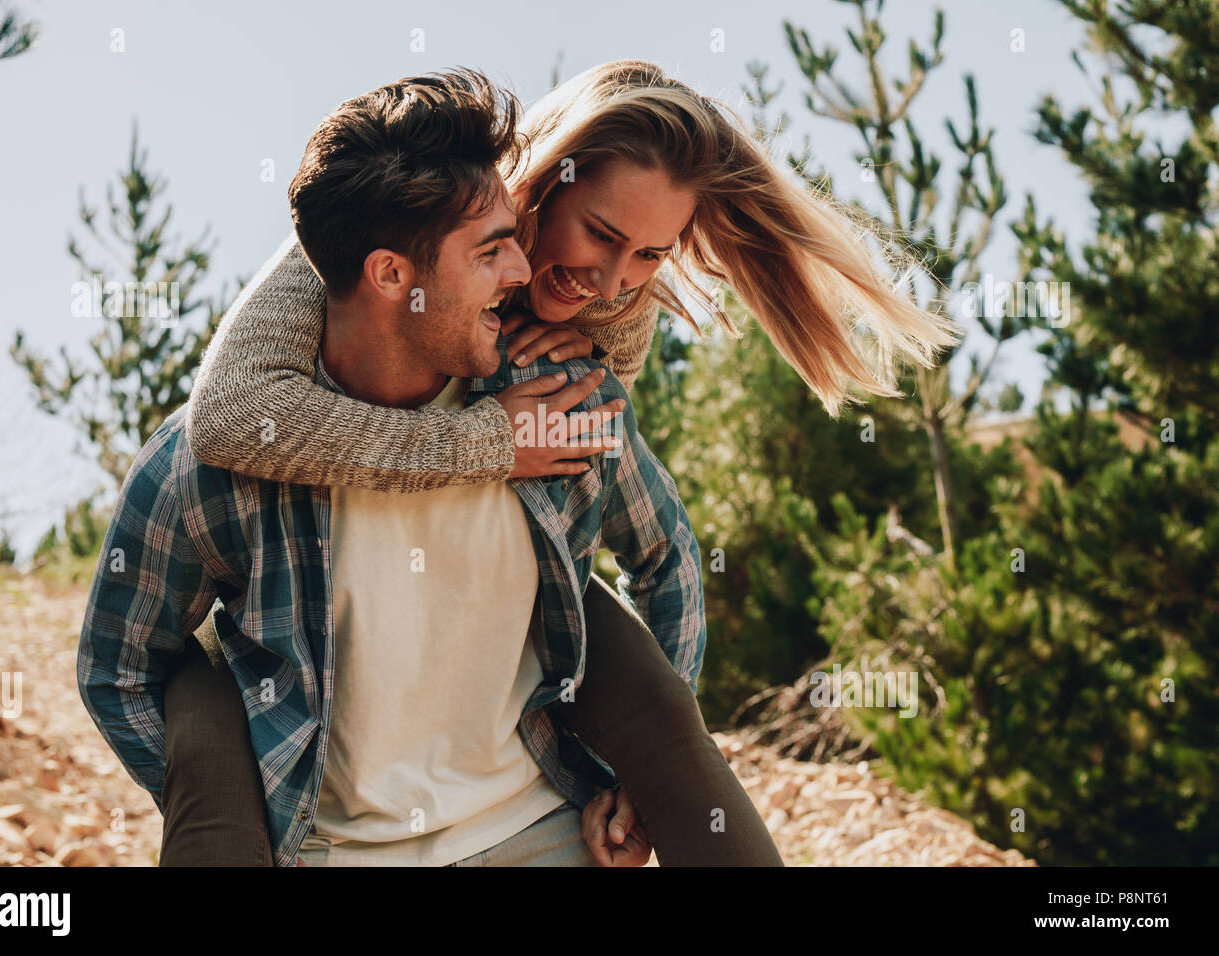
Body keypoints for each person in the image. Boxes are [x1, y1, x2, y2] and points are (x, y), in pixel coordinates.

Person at [174, 61, 962, 866]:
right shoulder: (406, 222)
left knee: (634, 680)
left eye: (652, 255)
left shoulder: (617, 306)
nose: (613, 282)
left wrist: (636, 776)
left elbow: (630, 514)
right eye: (603, 235)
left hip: (516, 576)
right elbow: (233, 414)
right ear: (541, 183)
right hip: (332, 569)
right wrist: (490, 445)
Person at [79, 67, 742, 869]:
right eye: (495, 250)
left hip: (540, 828)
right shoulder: (232, 445)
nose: (529, 274)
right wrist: (252, 816)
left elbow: (667, 555)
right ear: (393, 274)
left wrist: (631, 775)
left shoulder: (564, 394)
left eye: (648, 254)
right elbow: (119, 663)